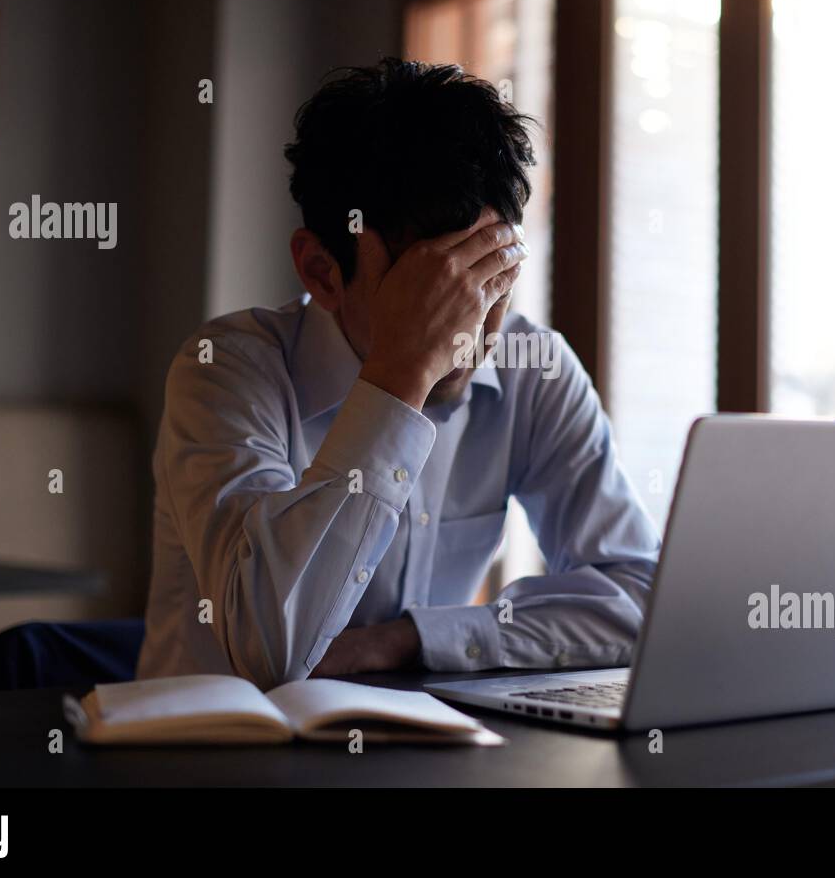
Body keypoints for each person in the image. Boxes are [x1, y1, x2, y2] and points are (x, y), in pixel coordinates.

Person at [137, 58, 660, 690]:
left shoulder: (532, 367)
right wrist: (398, 380)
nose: (472, 332)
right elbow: (270, 649)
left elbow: (642, 599)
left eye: (490, 279)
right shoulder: (227, 370)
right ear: (322, 271)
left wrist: (410, 639)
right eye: (429, 292)